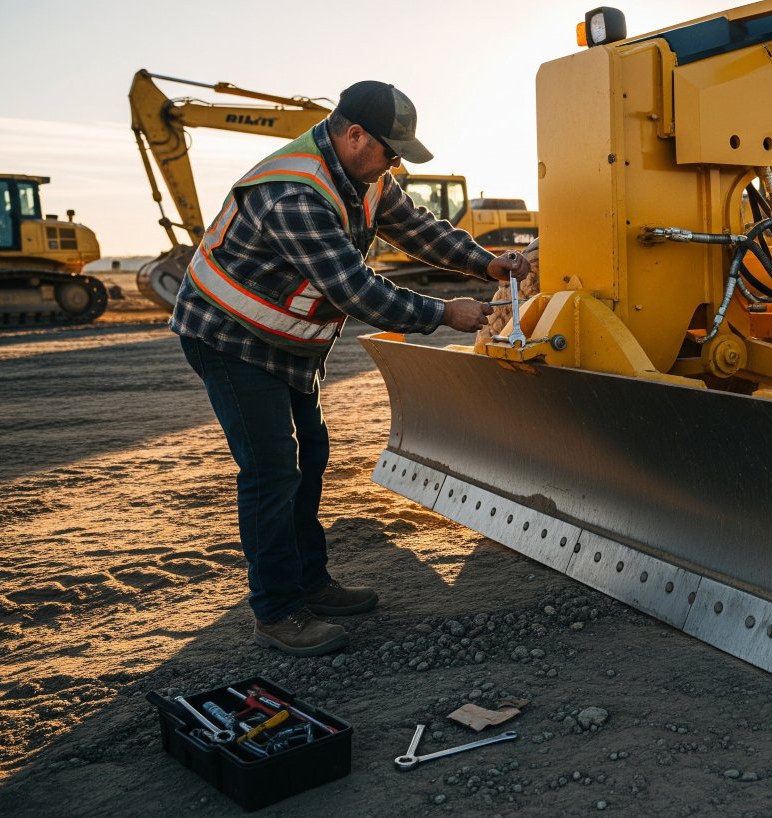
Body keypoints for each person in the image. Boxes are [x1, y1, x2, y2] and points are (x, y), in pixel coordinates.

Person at [171, 80, 529, 657]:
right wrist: (445, 312)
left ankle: (309, 583)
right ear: (354, 133)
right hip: (228, 337)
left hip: (286, 342)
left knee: (308, 455)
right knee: (270, 472)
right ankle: (277, 611)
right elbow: (356, 289)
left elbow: (417, 228)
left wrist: (486, 262)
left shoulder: (367, 175)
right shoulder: (295, 194)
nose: (393, 165)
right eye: (390, 152)